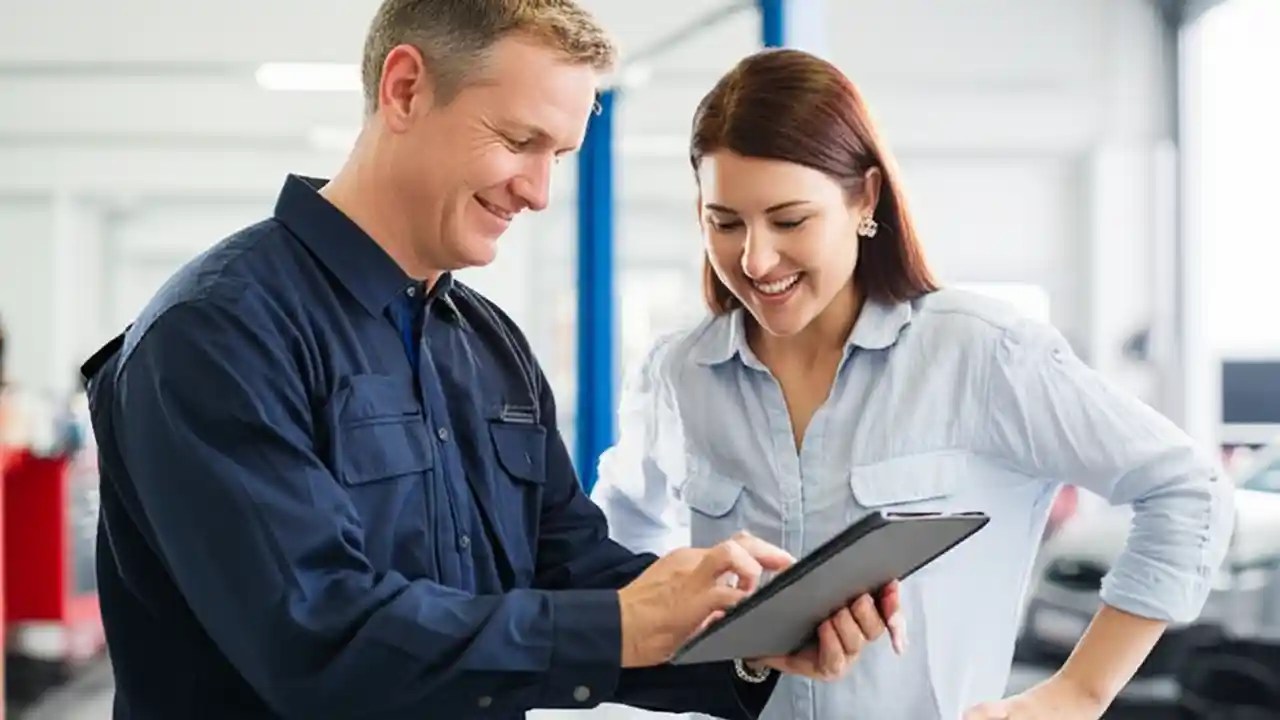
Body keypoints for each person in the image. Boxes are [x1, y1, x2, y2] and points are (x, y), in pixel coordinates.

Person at [77, 3, 904, 719]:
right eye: (518, 141)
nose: (538, 191)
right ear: (406, 89)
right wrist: (621, 625)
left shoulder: (488, 347)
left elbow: (567, 573)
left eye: (560, 156)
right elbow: (316, 637)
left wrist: (744, 635)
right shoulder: (217, 334)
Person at [590, 47, 1236, 720]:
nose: (755, 259)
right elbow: (615, 555)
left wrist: (1077, 692)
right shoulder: (678, 375)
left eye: (789, 221)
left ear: (864, 198)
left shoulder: (981, 354)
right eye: (725, 223)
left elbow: (1189, 490)